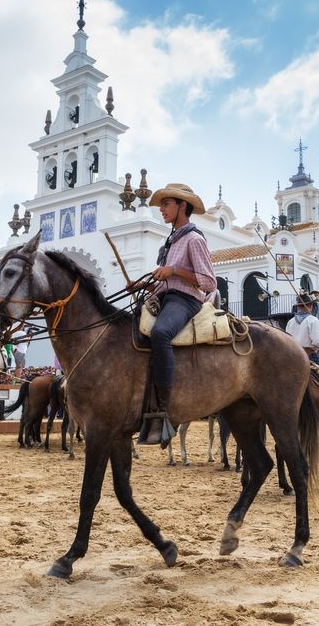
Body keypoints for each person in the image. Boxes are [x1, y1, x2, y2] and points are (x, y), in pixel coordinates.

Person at [129, 183, 217, 445]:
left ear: (182, 206)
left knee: (160, 333)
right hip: (166, 298)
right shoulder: (172, 241)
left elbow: (208, 282)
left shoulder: (194, 239)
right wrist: (142, 285)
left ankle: (164, 409)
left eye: (166, 204)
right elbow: (164, 283)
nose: (162, 209)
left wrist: (174, 271)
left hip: (186, 300)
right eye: (161, 205)